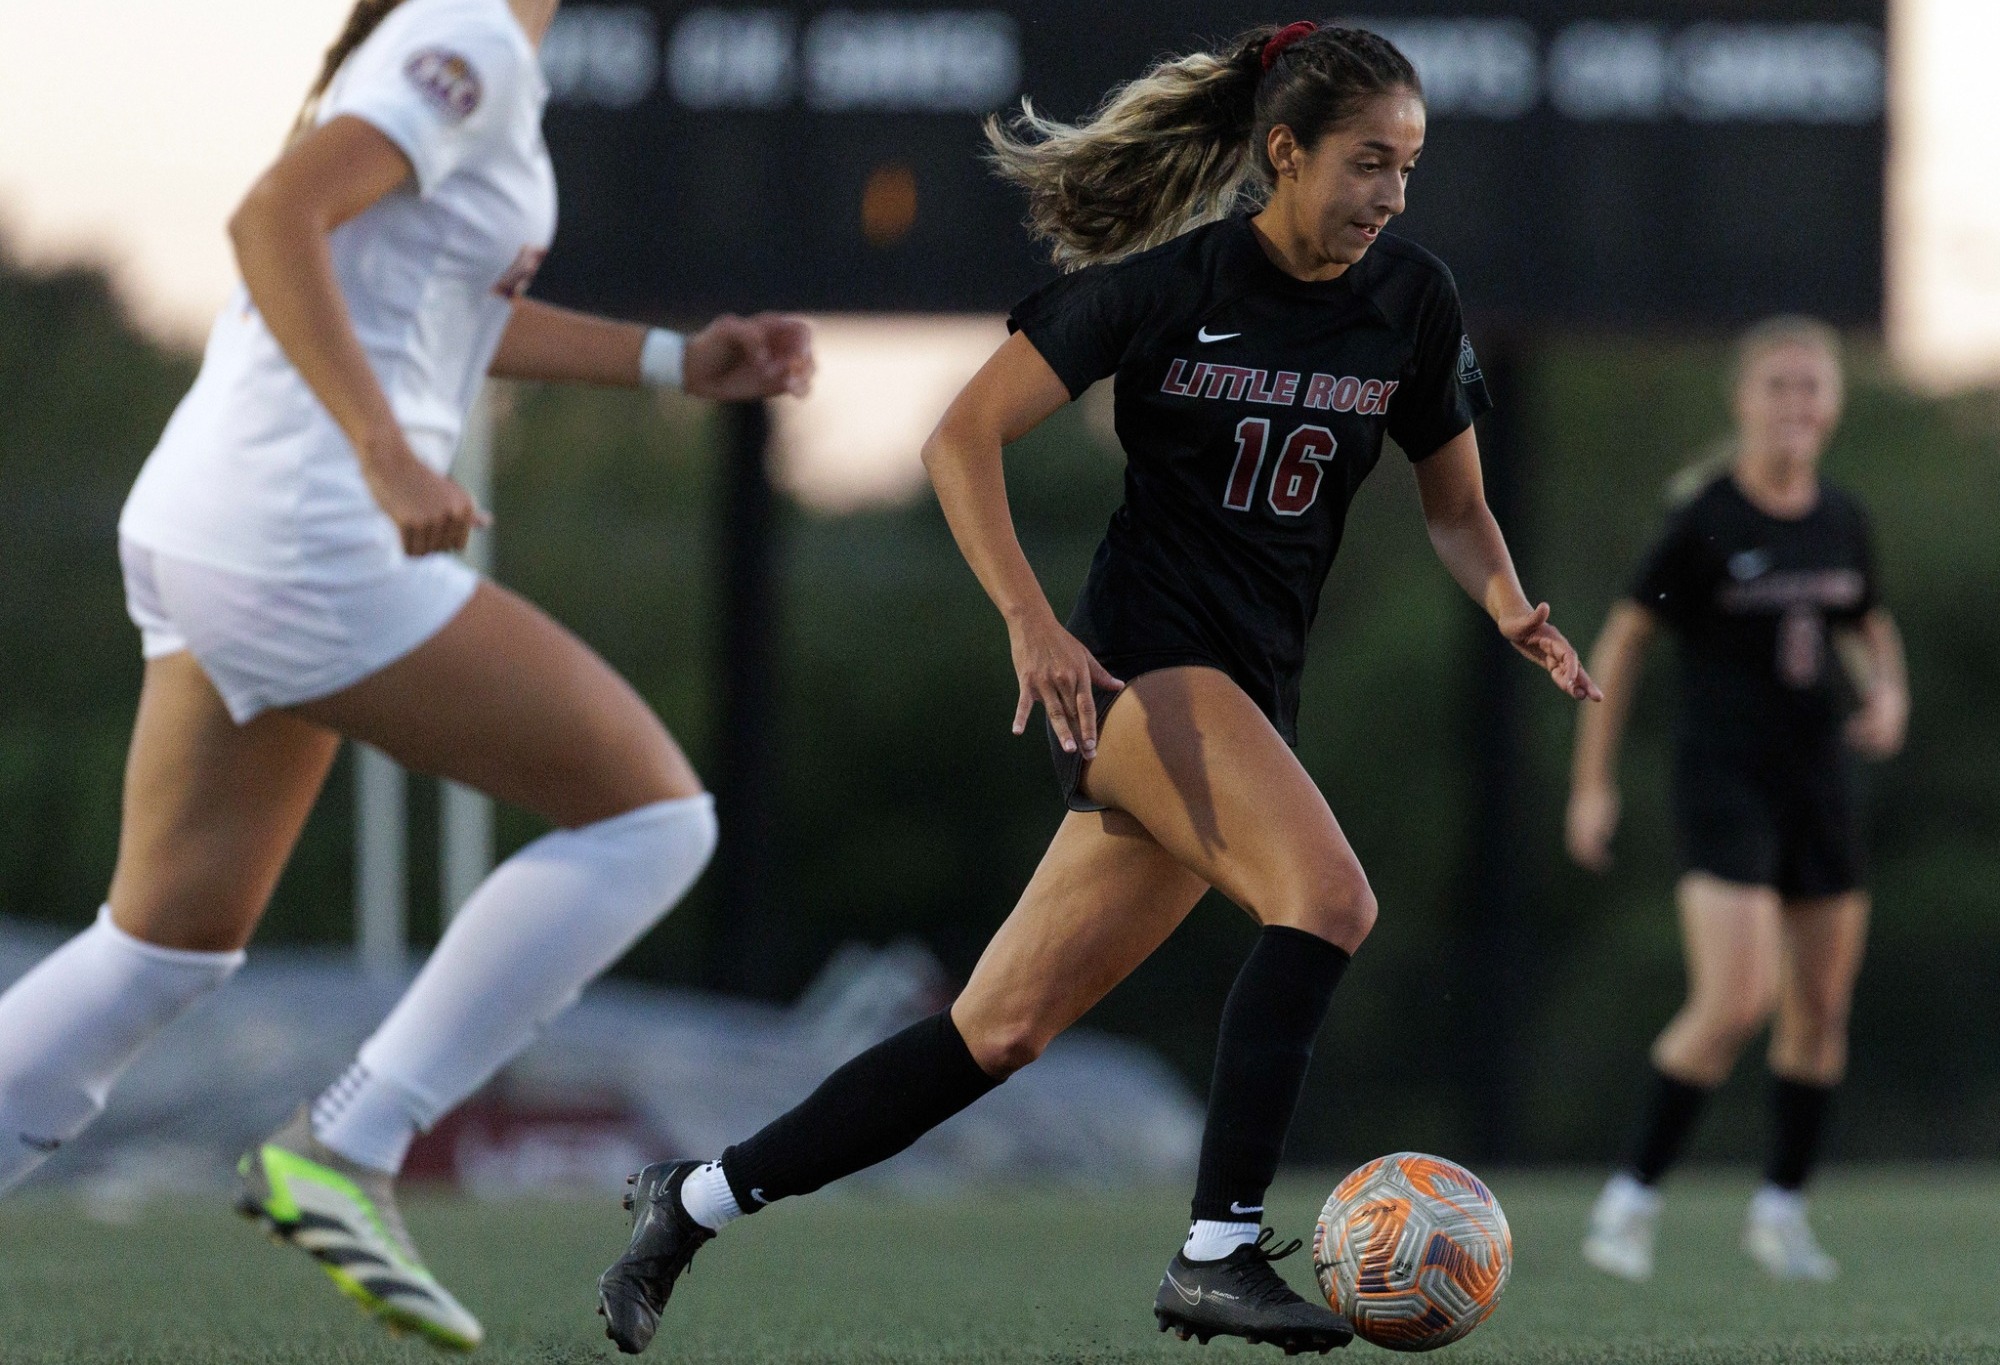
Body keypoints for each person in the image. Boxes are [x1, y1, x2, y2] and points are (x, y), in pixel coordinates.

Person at [596, 21, 1597, 1357]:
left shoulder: (1412, 298)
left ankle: (693, 1200)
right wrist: (1028, 621)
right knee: (1330, 900)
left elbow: (1456, 508)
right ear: (1283, 152)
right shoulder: (1170, 285)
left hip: (1247, 697)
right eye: (1368, 162)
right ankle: (1216, 1250)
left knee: (998, 1031)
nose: (1392, 194)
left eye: (1408, 167)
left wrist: (1510, 601)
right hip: (1138, 667)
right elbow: (961, 436)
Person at [0, 0, 811, 1349]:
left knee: (157, 950)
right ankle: (347, 1144)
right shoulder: (469, 33)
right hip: (303, 535)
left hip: (213, 528)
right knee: (656, 818)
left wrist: (674, 361)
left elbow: (437, 307)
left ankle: (344, 1142)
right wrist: (383, 451)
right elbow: (272, 221)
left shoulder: (478, 46)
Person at [1569, 317, 1907, 1283]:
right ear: (1744, 401)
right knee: (1735, 1001)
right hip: (1725, 779)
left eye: (1812, 385)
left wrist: (1889, 693)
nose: (1797, 403)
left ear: (1833, 403)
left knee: (1821, 1009)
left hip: (1819, 781)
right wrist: (1592, 784)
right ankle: (1628, 1202)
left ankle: (1781, 1210)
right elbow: (1624, 640)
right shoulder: (1706, 519)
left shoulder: (1841, 515)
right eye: (1778, 385)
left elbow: (1864, 621)